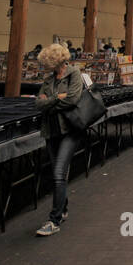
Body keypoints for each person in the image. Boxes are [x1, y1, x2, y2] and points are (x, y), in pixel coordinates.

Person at [34, 43, 86, 236]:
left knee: (58, 174)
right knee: (58, 174)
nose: (44, 67)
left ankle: (54, 220)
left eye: (46, 63)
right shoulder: (49, 79)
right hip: (52, 131)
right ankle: (62, 209)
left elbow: (73, 99)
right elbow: (38, 104)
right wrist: (57, 97)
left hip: (70, 130)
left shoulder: (74, 74)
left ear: (55, 61)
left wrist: (49, 101)